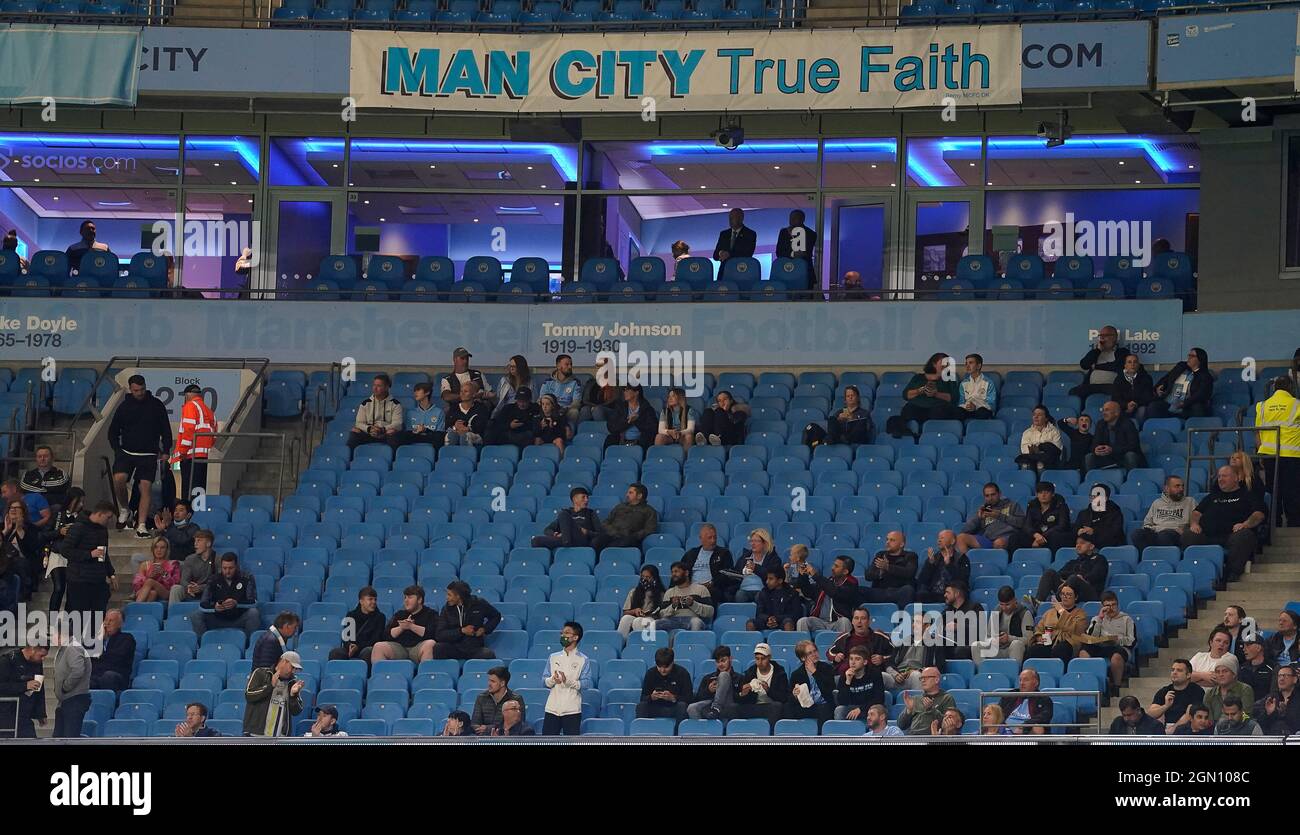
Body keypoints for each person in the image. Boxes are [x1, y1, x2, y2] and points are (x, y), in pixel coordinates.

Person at [107, 375, 172, 535]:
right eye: (136, 390)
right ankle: (124, 509)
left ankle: (141, 524)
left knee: (146, 487)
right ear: (130, 389)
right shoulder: (124, 407)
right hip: (127, 452)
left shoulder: (156, 405)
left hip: (149, 453)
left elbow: (166, 429)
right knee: (119, 479)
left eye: (142, 389)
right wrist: (117, 449)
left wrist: (166, 450)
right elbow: (112, 432)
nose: (140, 393)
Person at [1182, 465, 1266, 582]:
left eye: (1225, 476)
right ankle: (1195, 570)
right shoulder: (1212, 496)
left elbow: (1259, 514)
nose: (1220, 479)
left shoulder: (1248, 494)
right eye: (1219, 476)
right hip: (1208, 535)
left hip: (1233, 534)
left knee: (1243, 536)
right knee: (1189, 534)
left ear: (1236, 478)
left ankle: (1230, 574)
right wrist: (1194, 524)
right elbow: (1196, 513)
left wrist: (1245, 524)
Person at [1254, 376, 1300, 528]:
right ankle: (1294, 523)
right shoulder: (1297, 404)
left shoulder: (1262, 406)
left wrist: (1260, 452)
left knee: (1274, 490)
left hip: (1269, 455)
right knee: (1292, 490)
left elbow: (1258, 432)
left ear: (1275, 388)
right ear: (1291, 388)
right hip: (1293, 455)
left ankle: (1276, 523)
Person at [62, 501, 116, 622]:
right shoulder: (78, 527)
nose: (109, 521)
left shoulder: (102, 531)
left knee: (98, 615)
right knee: (79, 616)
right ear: (100, 514)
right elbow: (65, 550)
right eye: (108, 517)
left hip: (97, 578)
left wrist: (111, 573)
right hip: (79, 579)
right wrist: (89, 554)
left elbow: (103, 554)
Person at [889, 353, 960, 438]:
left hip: (938, 409)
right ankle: (909, 435)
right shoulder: (918, 378)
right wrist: (920, 391)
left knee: (942, 411)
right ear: (934, 364)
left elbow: (954, 398)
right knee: (897, 417)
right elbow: (905, 395)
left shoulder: (949, 379)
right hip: (917, 407)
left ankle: (927, 436)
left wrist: (936, 394)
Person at [193, 553, 260, 638]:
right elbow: (203, 604)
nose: (227, 571)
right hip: (217, 618)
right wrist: (215, 607)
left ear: (236, 566)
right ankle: (202, 645)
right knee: (196, 615)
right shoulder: (213, 579)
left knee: (253, 613)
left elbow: (253, 602)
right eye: (224, 568)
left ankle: (250, 646)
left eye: (230, 568)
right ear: (221, 567)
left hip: (239, 618)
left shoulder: (246, 577)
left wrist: (237, 603)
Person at [542, 621, 592, 735]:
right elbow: (544, 681)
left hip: (572, 710)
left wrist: (567, 681)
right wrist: (553, 679)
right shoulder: (553, 657)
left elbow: (587, 683)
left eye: (566, 633)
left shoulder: (583, 660)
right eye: (562, 633)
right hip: (552, 709)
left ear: (575, 637)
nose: (562, 635)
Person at [1031, 533, 1109, 606]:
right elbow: (1060, 573)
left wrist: (1082, 577)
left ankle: (1057, 600)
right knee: (1050, 573)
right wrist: (1067, 581)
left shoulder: (1099, 559)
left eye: (1082, 543)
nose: (1078, 546)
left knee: (1074, 578)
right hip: (1069, 589)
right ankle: (1038, 603)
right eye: (1077, 543)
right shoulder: (1074, 562)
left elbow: (1096, 575)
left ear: (1091, 546)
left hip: (1089, 592)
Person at [1080, 591, 1136, 689]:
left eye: (1113, 605)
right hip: (1101, 646)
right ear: (1102, 606)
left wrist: (1117, 640)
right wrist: (1100, 618)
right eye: (1107, 605)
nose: (1111, 608)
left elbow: (1132, 641)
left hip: (1119, 647)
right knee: (1084, 651)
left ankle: (1116, 686)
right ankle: (1091, 683)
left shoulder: (1127, 619)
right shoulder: (1097, 619)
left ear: (1117, 604)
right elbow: (1090, 636)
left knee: (1116, 656)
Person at [169, 384, 215, 503]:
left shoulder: (190, 406)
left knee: (188, 492)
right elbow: (214, 435)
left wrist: (183, 451)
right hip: (204, 457)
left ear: (187, 395)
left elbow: (188, 430)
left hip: (190, 456)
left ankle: (189, 516)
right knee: (199, 490)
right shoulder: (209, 411)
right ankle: (198, 514)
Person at [243, 650, 306, 737]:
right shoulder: (260, 673)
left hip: (280, 737)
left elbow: (296, 711)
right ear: (284, 661)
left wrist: (293, 696)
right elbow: (249, 695)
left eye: (296, 669)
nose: (293, 671)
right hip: (256, 734)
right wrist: (270, 686)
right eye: (292, 667)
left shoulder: (292, 683)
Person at [41, 487, 84, 612]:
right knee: (59, 588)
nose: (81, 504)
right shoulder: (57, 514)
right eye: (78, 501)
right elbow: (44, 534)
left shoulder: (82, 517)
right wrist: (59, 532)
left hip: (74, 556)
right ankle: (52, 622)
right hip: (57, 554)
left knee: (72, 590)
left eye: (82, 501)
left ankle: (68, 620)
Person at [433, 580, 501, 660]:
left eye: (449, 595)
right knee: (438, 648)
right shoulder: (446, 609)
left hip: (474, 647)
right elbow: (440, 634)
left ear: (458, 596)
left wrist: (485, 629)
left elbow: (496, 616)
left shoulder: (479, 603)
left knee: (488, 654)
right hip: (454, 646)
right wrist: (461, 631)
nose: (446, 598)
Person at [371, 585, 438, 663]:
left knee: (430, 644)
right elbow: (386, 635)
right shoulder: (400, 614)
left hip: (418, 648)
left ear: (419, 600)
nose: (406, 600)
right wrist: (401, 628)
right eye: (405, 598)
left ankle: (425, 674)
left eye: (410, 597)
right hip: (400, 648)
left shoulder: (431, 614)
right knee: (378, 646)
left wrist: (412, 627)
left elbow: (433, 634)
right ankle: (380, 675)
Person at [790, 555, 858, 632]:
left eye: (836, 566)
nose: (832, 568)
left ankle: (844, 644)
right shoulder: (828, 581)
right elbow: (809, 593)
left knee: (845, 622)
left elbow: (835, 592)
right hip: (820, 622)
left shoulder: (851, 584)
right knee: (802, 621)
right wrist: (803, 575)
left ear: (845, 571)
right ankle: (805, 644)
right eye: (833, 565)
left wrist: (815, 575)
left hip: (837, 622)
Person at [973, 586, 1034, 669]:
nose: (1004, 608)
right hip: (997, 649)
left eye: (1007, 604)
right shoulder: (996, 611)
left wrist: (1009, 638)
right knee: (976, 645)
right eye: (1001, 604)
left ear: (1015, 600)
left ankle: (1014, 671)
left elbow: (1029, 640)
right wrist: (993, 640)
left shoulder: (1024, 613)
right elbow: (987, 636)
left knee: (1016, 644)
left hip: (1014, 650)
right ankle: (983, 673)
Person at [956, 482, 1025, 554]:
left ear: (999, 494)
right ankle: (968, 563)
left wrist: (999, 515)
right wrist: (978, 518)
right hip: (988, 540)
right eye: (987, 496)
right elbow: (964, 531)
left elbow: (1021, 523)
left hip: (1006, 538)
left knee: (999, 543)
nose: (990, 498)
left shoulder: (1012, 505)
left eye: (993, 494)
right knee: (960, 538)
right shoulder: (984, 510)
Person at [1026, 582, 1089, 662]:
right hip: (1048, 641)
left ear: (1075, 597)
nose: (1065, 597)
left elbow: (1077, 630)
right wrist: (1039, 637)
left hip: (1068, 643)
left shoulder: (1080, 614)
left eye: (1069, 594)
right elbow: (1039, 629)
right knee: (1035, 649)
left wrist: (1061, 611)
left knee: (1061, 649)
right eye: (1062, 594)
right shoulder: (1050, 612)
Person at [1132, 475, 1196, 551]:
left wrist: (1186, 528)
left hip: (1176, 534)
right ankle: (1149, 557)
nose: (1181, 489)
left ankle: (1167, 557)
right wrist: (1151, 528)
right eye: (1177, 486)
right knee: (1137, 534)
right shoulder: (1157, 503)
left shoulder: (1190, 501)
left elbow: (1196, 521)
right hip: (1157, 532)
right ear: (1167, 488)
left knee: (1164, 535)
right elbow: (1147, 523)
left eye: (1182, 486)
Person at [1147, 347, 1213, 419]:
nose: (1189, 358)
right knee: (1153, 406)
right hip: (1170, 402)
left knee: (1198, 408)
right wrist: (1159, 387)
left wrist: (1184, 403)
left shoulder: (1205, 376)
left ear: (1200, 359)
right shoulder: (1181, 367)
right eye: (1189, 355)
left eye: (1192, 356)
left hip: (1188, 406)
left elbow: (1201, 394)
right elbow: (1167, 378)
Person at [824, 606, 893, 675]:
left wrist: (883, 659)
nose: (859, 621)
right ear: (852, 621)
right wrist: (836, 657)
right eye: (856, 618)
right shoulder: (844, 638)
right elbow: (830, 652)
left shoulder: (880, 636)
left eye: (863, 618)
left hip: (873, 676)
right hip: (847, 677)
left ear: (869, 621)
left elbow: (895, 653)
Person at [885, 612, 945, 691]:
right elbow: (889, 663)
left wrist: (919, 671)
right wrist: (896, 675)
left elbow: (938, 668)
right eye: (913, 622)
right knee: (881, 676)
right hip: (898, 676)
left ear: (927, 626)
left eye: (918, 623)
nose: (914, 625)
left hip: (918, 677)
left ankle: (918, 702)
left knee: (916, 675)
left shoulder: (935, 645)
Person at [592, 483, 658, 553]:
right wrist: (612, 531)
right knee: (596, 542)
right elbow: (606, 521)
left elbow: (649, 529)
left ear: (639, 496)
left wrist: (634, 536)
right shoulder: (620, 507)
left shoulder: (649, 511)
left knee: (617, 546)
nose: (627, 495)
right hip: (612, 534)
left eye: (630, 493)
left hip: (629, 538)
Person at [1057, 482, 1125, 551]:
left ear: (1105, 498)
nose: (1094, 499)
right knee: (1061, 537)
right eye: (1092, 496)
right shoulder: (1084, 513)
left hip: (1106, 541)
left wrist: (1094, 531)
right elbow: (1075, 529)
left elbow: (1114, 532)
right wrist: (1078, 531)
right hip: (1084, 540)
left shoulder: (1114, 513)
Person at [734, 643, 789, 727]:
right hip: (754, 707)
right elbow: (742, 700)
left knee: (777, 706)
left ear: (769, 657)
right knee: (733, 708)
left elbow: (784, 698)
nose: (759, 662)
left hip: (771, 707)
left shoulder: (780, 673)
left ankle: (771, 734)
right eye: (757, 659)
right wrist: (742, 694)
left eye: (763, 659)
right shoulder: (750, 672)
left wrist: (769, 691)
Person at [0, 644, 48, 738]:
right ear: (33, 649)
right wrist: (24, 686)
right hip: (7, 714)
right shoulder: (8, 661)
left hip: (25, 715)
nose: (43, 659)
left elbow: (39, 689)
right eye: (41, 655)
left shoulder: (37, 663)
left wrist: (41, 713)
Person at [650, 562, 714, 632]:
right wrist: (673, 606)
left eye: (676, 571)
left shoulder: (701, 589)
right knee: (654, 624)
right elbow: (662, 614)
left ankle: (692, 643)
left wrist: (692, 604)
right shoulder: (669, 592)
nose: (674, 574)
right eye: (672, 572)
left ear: (686, 573)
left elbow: (710, 612)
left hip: (693, 619)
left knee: (696, 623)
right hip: (672, 620)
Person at [1071, 325, 1130, 399]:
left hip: (1112, 385)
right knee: (1074, 392)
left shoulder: (1122, 352)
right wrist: (1097, 350)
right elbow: (1084, 365)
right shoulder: (1096, 352)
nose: (1102, 338)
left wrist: (1096, 366)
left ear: (1114, 338)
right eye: (1100, 335)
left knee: (1120, 392)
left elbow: (1117, 366)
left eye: (1105, 335)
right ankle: (1083, 410)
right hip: (1092, 386)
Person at [532, 487, 602, 550]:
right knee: (536, 541)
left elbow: (600, 534)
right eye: (583, 497)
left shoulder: (590, 513)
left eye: (587, 497)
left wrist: (587, 532)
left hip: (582, 540)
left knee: (563, 514)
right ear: (575, 499)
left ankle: (566, 541)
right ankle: (566, 540)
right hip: (567, 538)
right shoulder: (567, 513)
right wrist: (555, 534)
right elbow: (547, 529)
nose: (586, 500)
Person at [328, 586, 386, 662]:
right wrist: (349, 646)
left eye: (375, 599)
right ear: (361, 601)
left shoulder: (380, 617)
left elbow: (376, 639)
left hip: (366, 648)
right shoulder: (351, 615)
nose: (374, 602)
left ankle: (366, 673)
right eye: (370, 599)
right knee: (335, 653)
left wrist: (358, 647)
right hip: (352, 648)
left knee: (368, 652)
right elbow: (346, 636)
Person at [347, 373, 403, 451]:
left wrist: (382, 429)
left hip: (385, 433)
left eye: (379, 386)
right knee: (354, 432)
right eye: (374, 385)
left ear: (387, 387)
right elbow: (359, 423)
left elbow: (398, 424)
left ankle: (392, 460)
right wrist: (369, 429)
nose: (375, 388)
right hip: (369, 433)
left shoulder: (395, 404)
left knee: (394, 434)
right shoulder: (365, 403)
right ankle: (350, 460)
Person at [636, 647, 692, 723]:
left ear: (672, 662)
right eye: (659, 667)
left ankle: (677, 733)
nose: (662, 670)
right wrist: (651, 697)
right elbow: (643, 697)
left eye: (666, 667)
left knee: (682, 706)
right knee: (641, 706)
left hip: (674, 708)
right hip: (656, 707)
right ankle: (642, 733)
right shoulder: (650, 673)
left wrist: (673, 698)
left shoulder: (682, 673)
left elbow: (689, 698)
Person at [914, 530, 970, 605]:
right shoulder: (934, 558)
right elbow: (922, 580)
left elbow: (962, 580)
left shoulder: (962, 558)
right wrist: (930, 564)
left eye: (942, 538)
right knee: (919, 595)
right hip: (933, 594)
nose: (939, 540)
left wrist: (949, 565)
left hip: (951, 594)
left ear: (952, 541)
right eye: (938, 538)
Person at [863, 531, 919, 606]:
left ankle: (901, 617)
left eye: (892, 540)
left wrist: (888, 567)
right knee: (858, 590)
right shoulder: (880, 555)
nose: (887, 542)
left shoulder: (910, 556)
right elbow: (868, 575)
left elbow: (909, 573)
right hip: (880, 592)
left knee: (908, 590)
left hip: (898, 591)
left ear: (902, 544)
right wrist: (880, 573)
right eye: (887, 539)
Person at [786, 640, 836, 724]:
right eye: (810, 653)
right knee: (787, 709)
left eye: (815, 651)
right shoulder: (797, 674)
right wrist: (795, 695)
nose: (814, 654)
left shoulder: (827, 668)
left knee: (824, 710)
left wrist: (814, 672)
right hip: (807, 706)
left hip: (824, 705)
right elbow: (789, 697)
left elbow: (829, 691)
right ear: (803, 658)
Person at [685, 645, 740, 721]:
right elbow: (698, 698)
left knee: (724, 675)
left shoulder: (739, 677)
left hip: (729, 704)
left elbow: (741, 699)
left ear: (730, 659)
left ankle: (716, 707)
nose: (720, 664)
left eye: (723, 660)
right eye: (718, 662)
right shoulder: (708, 677)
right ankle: (703, 730)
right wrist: (709, 691)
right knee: (691, 708)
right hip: (710, 705)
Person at [1148, 659, 1206, 731]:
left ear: (1188, 675)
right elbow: (1151, 714)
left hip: (1188, 730)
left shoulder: (1196, 691)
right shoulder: (1164, 691)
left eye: (1179, 670)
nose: (1174, 672)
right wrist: (1165, 706)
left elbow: (1190, 714)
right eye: (1173, 670)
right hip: (1168, 727)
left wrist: (1173, 730)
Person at [52, 631, 90, 738]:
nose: (51, 637)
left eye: (53, 634)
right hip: (65, 701)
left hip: (74, 701)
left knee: (69, 738)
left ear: (60, 634)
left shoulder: (73, 647)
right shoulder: (65, 648)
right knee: (58, 738)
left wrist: (65, 687)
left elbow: (78, 671)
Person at [1086, 400, 1143, 472]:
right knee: (1089, 457)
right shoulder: (1100, 424)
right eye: (1103, 410)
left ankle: (1131, 479)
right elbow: (1094, 443)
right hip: (1107, 458)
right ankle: (1091, 481)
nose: (1103, 413)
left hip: (1123, 457)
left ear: (1116, 413)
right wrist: (1096, 449)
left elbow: (1133, 446)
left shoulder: (1128, 424)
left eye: (1107, 410)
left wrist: (1112, 450)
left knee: (1130, 456)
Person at [897, 667, 956, 735]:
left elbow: (949, 724)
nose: (923, 680)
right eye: (921, 678)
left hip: (932, 739)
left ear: (936, 680)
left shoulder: (946, 698)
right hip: (913, 739)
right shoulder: (916, 699)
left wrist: (931, 710)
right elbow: (901, 725)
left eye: (926, 677)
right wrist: (909, 710)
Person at [833, 645, 887, 720]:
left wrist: (861, 709)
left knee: (878, 711)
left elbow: (879, 698)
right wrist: (848, 682)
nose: (853, 662)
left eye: (857, 659)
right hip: (852, 708)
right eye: (851, 659)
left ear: (865, 662)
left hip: (870, 707)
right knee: (840, 710)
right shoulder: (845, 676)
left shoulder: (875, 674)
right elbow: (842, 702)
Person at [680, 522, 731, 601]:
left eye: (715, 537)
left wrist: (711, 583)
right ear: (701, 538)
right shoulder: (691, 554)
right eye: (709, 538)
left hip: (712, 588)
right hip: (691, 587)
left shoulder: (724, 553)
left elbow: (727, 574)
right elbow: (680, 570)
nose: (713, 541)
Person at [730, 528, 782, 604]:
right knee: (739, 595)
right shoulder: (745, 556)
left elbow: (772, 576)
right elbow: (736, 573)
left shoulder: (773, 558)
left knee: (760, 596)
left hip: (762, 589)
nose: (752, 544)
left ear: (765, 543)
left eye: (756, 541)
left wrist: (756, 568)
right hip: (743, 589)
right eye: (751, 541)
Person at [2, 498, 40, 602]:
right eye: (11, 508)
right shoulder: (3, 528)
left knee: (20, 564)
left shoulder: (31, 528)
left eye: (16, 508)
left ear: (23, 511)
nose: (12, 510)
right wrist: (5, 531)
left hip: (22, 567)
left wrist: (19, 529)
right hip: (3, 567)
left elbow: (32, 549)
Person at [169, 528, 217, 606]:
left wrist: (201, 588)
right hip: (191, 592)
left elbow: (219, 582)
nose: (195, 544)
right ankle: (173, 615)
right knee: (176, 589)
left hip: (209, 593)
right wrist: (190, 587)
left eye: (199, 540)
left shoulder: (217, 559)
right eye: (195, 541)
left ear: (208, 543)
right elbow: (183, 580)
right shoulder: (190, 559)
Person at [999, 668, 1054, 735]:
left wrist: (1024, 726)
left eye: (1026, 680)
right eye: (1020, 680)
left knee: (1038, 728)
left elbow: (1044, 718)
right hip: (1005, 731)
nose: (1022, 683)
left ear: (1036, 683)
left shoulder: (1044, 699)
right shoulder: (1010, 696)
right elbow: (998, 712)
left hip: (1027, 732)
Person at [617, 565, 666, 638]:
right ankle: (621, 643)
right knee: (626, 618)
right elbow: (625, 612)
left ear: (654, 578)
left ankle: (640, 644)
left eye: (648, 577)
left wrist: (651, 613)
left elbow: (663, 613)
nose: (644, 579)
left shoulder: (661, 594)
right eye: (643, 577)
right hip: (636, 616)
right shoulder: (634, 592)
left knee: (639, 621)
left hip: (652, 619)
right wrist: (634, 611)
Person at [472, 667, 524, 734]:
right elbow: (474, 723)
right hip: (483, 738)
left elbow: (517, 724)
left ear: (502, 683)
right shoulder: (481, 698)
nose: (489, 684)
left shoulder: (515, 699)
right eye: (489, 680)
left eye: (493, 681)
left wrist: (489, 729)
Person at [1022, 481, 1071, 552]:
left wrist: (1043, 536)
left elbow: (1062, 525)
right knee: (1016, 537)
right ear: (1036, 494)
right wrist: (1035, 535)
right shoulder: (1032, 505)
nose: (1043, 495)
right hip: (1036, 535)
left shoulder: (1060, 506)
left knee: (1056, 537)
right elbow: (1027, 525)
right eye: (1040, 493)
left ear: (1053, 494)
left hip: (1052, 535)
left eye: (1046, 492)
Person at [1204, 655, 1255, 723]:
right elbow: (1208, 720)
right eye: (1217, 672)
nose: (1221, 674)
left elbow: (1246, 715)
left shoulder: (1245, 690)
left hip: (1239, 729)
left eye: (1225, 671)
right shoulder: (1209, 694)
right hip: (1215, 731)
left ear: (1234, 674)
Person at [605, 384, 657, 450]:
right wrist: (628, 422)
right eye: (624, 390)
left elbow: (653, 429)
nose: (624, 392)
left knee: (646, 440)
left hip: (640, 440)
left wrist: (637, 420)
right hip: (621, 439)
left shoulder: (647, 408)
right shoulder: (620, 407)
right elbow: (611, 426)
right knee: (610, 439)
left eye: (627, 390)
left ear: (636, 392)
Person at [775, 209, 817, 289]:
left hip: (803, 270)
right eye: (790, 218)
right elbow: (779, 252)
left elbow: (804, 253)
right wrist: (793, 254)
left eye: (794, 218)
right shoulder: (784, 232)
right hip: (785, 269)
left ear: (802, 219)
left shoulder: (810, 234)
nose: (791, 221)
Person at [131, 536, 179, 604]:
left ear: (167, 549)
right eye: (156, 547)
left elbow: (174, 584)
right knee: (152, 593)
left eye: (162, 547)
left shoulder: (173, 564)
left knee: (150, 581)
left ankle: (136, 608)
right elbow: (136, 584)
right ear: (152, 549)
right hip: (148, 592)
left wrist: (164, 574)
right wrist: (150, 577)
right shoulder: (145, 565)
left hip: (165, 592)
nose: (159, 550)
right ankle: (142, 613)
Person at [1255, 664, 1300, 735]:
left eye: (1285, 675)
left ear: (1295, 679)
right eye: (1279, 676)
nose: (1281, 679)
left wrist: (1285, 713)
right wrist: (1269, 714)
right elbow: (1261, 723)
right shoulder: (1271, 698)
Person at [1110, 354, 1156, 423]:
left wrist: (1135, 404)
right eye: (1129, 362)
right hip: (1124, 408)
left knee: (1143, 411)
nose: (1132, 364)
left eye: (1135, 362)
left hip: (1139, 407)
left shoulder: (1146, 378)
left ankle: (1139, 432)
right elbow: (1115, 398)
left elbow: (1148, 397)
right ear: (1125, 365)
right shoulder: (1118, 379)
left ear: (1138, 365)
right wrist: (1126, 405)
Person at [397, 382, 444, 449]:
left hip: (431, 439)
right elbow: (409, 432)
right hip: (415, 437)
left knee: (439, 437)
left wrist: (425, 430)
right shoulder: (411, 413)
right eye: (414, 391)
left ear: (427, 392)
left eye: (418, 390)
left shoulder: (439, 412)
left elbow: (440, 434)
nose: (415, 393)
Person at [1016, 406, 1063, 474]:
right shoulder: (1027, 433)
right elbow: (1026, 451)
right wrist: (1042, 450)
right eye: (1034, 414)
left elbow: (1056, 451)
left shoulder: (1054, 432)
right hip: (1032, 461)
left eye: (1039, 414)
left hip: (1049, 463)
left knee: (1040, 465)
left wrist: (1037, 449)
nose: (1036, 416)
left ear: (1046, 418)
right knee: (1027, 465)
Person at [21, 444, 69, 510]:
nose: (42, 459)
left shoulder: (61, 474)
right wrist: (47, 491)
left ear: (52, 458)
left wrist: (38, 492)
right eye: (39, 456)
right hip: (32, 507)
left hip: (53, 507)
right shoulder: (27, 474)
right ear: (36, 459)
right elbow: (26, 490)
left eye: (46, 456)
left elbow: (61, 490)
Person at [444, 380, 490, 447]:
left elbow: (482, 426)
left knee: (466, 436)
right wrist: (454, 427)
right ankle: (449, 456)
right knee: (451, 435)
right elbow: (447, 426)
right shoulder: (454, 407)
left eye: (466, 391)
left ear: (474, 394)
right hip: (456, 432)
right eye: (461, 391)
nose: (462, 394)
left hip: (475, 435)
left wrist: (468, 429)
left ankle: (467, 456)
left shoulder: (481, 408)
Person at [539, 354, 582, 425]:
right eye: (567, 364)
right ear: (558, 366)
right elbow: (541, 399)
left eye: (571, 364)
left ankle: (569, 432)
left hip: (566, 410)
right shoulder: (548, 382)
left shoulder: (575, 382)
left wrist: (564, 409)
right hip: (550, 409)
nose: (570, 367)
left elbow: (576, 403)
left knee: (574, 412)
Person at [957, 354, 998, 421]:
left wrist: (976, 406)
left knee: (982, 412)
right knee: (957, 412)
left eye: (970, 363)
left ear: (978, 366)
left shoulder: (988, 383)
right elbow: (961, 402)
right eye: (966, 363)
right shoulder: (963, 383)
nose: (967, 366)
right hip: (967, 411)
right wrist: (966, 406)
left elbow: (992, 405)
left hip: (981, 411)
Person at [579, 357, 620, 424]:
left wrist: (598, 407)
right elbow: (585, 400)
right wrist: (594, 406)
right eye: (598, 367)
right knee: (585, 409)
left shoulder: (616, 383)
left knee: (597, 410)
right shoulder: (591, 383)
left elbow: (616, 399)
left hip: (610, 409)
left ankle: (604, 432)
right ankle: (579, 433)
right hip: (592, 407)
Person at [491, 355, 532, 420]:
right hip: (507, 411)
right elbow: (499, 400)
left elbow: (533, 399)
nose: (511, 368)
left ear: (520, 367)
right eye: (510, 366)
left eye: (514, 366)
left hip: (524, 411)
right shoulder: (504, 380)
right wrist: (493, 396)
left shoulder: (530, 382)